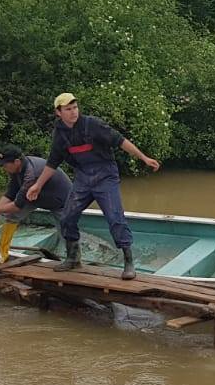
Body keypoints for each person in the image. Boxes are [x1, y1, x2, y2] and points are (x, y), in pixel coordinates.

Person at [45, 93, 161, 279]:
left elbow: (120, 141)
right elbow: (52, 162)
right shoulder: (59, 134)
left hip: (105, 176)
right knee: (67, 217)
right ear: (58, 112)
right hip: (83, 178)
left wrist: (144, 158)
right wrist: (36, 185)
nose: (74, 112)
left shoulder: (93, 125)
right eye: (68, 109)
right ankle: (73, 258)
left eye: (75, 107)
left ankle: (128, 262)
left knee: (115, 217)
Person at [0, 145, 70, 258]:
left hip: (61, 199)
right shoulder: (18, 167)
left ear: (16, 162)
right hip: (36, 196)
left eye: (5, 165)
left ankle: (72, 260)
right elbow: (11, 192)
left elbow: (17, 205)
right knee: (10, 216)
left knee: (66, 231)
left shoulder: (31, 175)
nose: (3, 168)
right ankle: (2, 253)